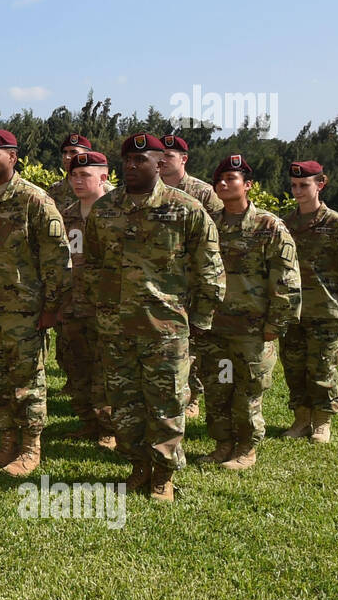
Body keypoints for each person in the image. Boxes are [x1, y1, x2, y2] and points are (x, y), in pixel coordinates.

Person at [82, 134, 224, 501]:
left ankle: (163, 475)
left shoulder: (186, 209)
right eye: (127, 160)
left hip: (166, 328)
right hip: (116, 328)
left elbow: (209, 270)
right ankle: (138, 466)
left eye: (140, 161)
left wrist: (201, 321)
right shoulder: (105, 209)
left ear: (160, 164)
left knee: (166, 404)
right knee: (125, 405)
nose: (131, 166)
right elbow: (93, 263)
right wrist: (96, 307)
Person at [0, 128, 71, 476]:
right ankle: (6, 442)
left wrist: (51, 307)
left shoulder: (35, 201)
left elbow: (57, 258)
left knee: (26, 380)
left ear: (12, 158)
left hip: (24, 311)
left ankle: (30, 448)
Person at [199, 155, 301, 469]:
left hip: (253, 330)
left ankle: (246, 449)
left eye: (232, 178)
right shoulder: (209, 224)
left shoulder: (268, 226)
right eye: (220, 180)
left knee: (247, 390)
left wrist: (276, 324)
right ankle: (223, 444)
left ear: (248, 185)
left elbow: (286, 278)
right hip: (215, 327)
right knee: (218, 388)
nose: (224, 184)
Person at [280, 160, 338, 443]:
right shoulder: (287, 224)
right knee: (294, 367)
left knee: (322, 368)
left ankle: (322, 422)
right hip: (293, 311)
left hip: (326, 311)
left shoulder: (337, 225)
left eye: (304, 185)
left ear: (321, 184)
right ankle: (301, 419)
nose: (298, 191)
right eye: (294, 186)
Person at [160, 132, 224, 419]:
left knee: (195, 343)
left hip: (194, 279)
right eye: (159, 155)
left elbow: (220, 232)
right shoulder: (150, 189)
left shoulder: (202, 193)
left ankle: (193, 396)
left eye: (169, 155)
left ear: (184, 159)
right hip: (164, 281)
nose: (162, 160)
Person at [57, 151, 115, 450]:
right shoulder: (66, 214)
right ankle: (88, 422)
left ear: (103, 177)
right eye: (74, 176)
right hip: (73, 305)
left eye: (85, 176)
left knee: (105, 369)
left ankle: (109, 428)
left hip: (108, 307)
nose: (77, 181)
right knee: (77, 366)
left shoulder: (118, 212)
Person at [47, 133, 93, 212]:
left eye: (73, 152)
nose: (67, 157)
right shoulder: (54, 191)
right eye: (65, 152)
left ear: (87, 156)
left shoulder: (103, 190)